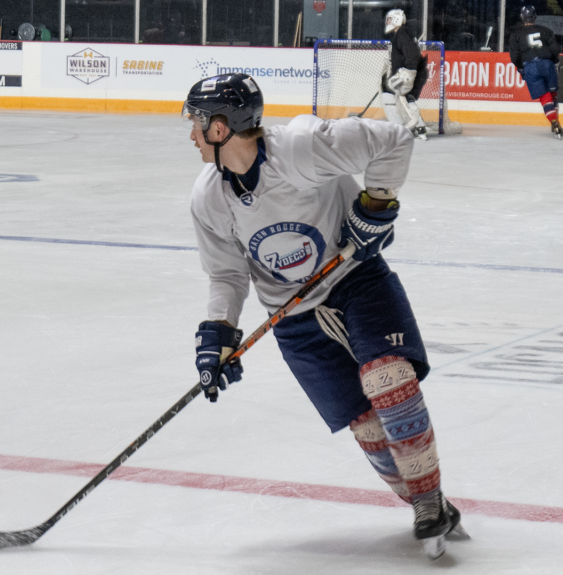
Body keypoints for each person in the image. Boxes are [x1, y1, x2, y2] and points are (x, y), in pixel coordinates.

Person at [183, 73, 465, 559]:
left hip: (355, 279)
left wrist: (376, 204)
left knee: (389, 381)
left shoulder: (300, 147)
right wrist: (219, 333)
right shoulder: (209, 197)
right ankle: (430, 499)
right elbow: (228, 275)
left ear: (222, 128)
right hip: (291, 317)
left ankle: (428, 504)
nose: (190, 134)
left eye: (198, 122)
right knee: (368, 428)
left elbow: (394, 140)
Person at [508, 5, 563, 138]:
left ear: (522, 17)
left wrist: (521, 68)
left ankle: (554, 123)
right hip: (547, 64)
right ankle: (556, 122)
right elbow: (555, 50)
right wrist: (553, 61)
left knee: (545, 98)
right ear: (535, 17)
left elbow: (514, 57)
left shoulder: (516, 34)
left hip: (531, 67)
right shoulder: (546, 30)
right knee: (552, 95)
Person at [382, 9, 429, 140]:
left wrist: (409, 72)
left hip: (411, 72)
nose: (388, 22)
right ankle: (420, 128)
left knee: (388, 96)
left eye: (390, 19)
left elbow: (412, 54)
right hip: (414, 72)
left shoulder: (402, 33)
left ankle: (401, 128)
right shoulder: (402, 33)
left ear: (396, 19)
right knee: (408, 98)